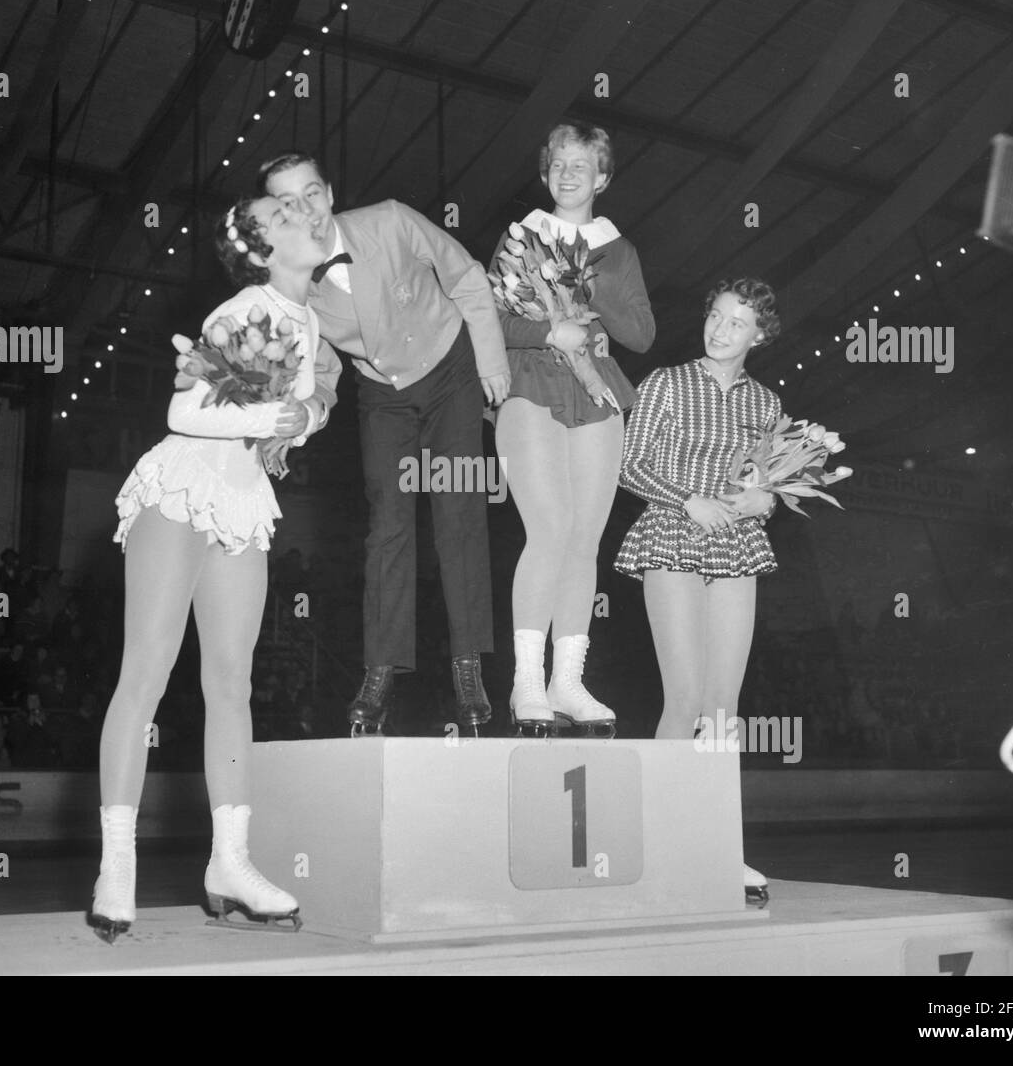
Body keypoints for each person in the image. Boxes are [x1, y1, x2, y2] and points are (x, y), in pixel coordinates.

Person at [90, 195, 341, 943]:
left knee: (232, 683)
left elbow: (280, 419)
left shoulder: (310, 320)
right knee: (148, 673)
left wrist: (294, 427)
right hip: (183, 488)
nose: (310, 215)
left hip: (241, 499)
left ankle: (229, 864)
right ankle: (116, 867)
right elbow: (186, 411)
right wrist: (271, 419)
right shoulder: (243, 307)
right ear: (263, 251)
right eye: (289, 215)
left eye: (310, 207)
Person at [261, 152, 509, 735]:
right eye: (288, 204)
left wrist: (493, 362)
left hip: (451, 373)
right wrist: (301, 420)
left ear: (329, 191)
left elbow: (468, 276)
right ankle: (380, 672)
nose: (307, 211)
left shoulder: (392, 221)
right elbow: (321, 375)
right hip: (384, 395)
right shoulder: (290, 286)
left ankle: (467, 666)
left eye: (312, 193)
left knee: (458, 515)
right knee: (387, 526)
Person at [615, 278, 785, 904]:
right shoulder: (664, 383)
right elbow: (629, 463)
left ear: (758, 336)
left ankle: (717, 849)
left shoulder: (766, 404)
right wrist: (688, 498)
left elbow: (766, 486)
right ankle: (662, 847)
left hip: (734, 543)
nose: (720, 329)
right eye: (716, 315)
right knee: (685, 697)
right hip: (672, 532)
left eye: (737, 323)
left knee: (723, 707)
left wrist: (762, 499)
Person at [491, 121, 655, 735]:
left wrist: (587, 284)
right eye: (559, 163)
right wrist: (547, 330)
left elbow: (640, 334)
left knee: (585, 540)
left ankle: (568, 681)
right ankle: (525, 682)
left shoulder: (622, 249)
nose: (568, 174)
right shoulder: (522, 236)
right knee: (552, 529)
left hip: (598, 387)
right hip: (533, 379)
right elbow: (488, 320)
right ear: (545, 171)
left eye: (581, 166)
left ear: (602, 178)